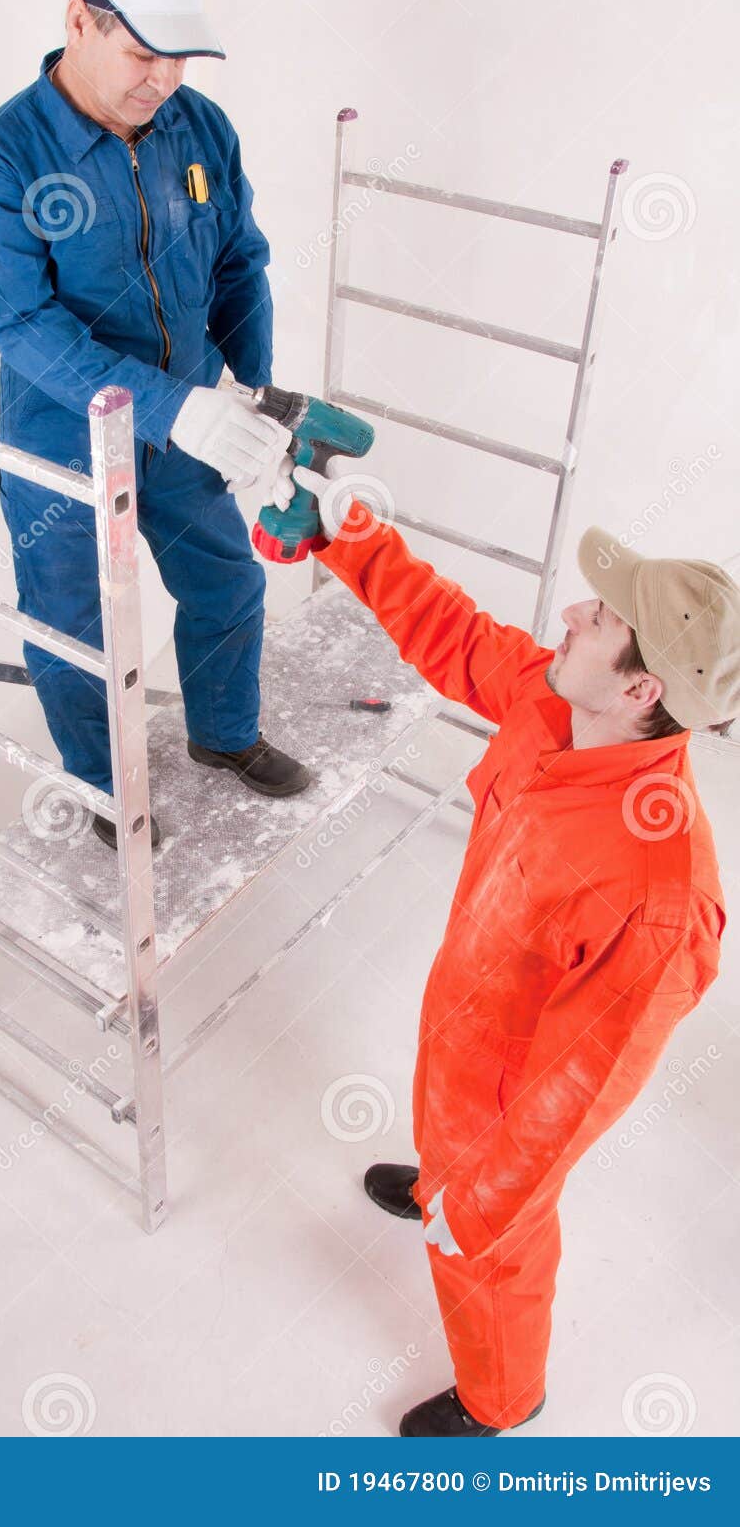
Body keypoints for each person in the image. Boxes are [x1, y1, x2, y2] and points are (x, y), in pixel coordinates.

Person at [284, 456, 737, 1436]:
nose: (574, 612)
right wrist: (345, 530)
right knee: (442, 1135)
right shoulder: (560, 704)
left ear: (642, 688)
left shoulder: (658, 891)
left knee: (494, 1254)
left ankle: (501, 1397)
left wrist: (485, 1201)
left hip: (509, 1113)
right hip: (461, 1040)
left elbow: (581, 1089)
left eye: (602, 621)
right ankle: (441, 1175)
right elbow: (454, 636)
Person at [0, 0, 309, 849]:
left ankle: (224, 736)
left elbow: (238, 262)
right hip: (62, 429)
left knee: (227, 579)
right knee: (76, 629)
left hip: (188, 419)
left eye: (178, 60)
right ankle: (105, 787)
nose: (163, 81)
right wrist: (172, 409)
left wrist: (257, 401)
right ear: (79, 20)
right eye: (142, 55)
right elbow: (26, 327)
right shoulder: (1, 158)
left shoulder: (198, 129)